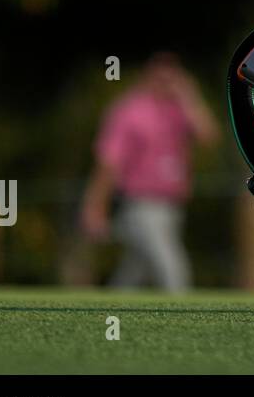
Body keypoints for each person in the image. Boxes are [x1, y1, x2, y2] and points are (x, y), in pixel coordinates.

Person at [80, 53, 219, 291]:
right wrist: (95, 205)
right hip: (141, 206)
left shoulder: (180, 109)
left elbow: (209, 137)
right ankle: (182, 317)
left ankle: (109, 309)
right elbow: (109, 163)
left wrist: (190, 97)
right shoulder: (129, 111)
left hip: (173, 207)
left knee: (134, 271)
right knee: (172, 267)